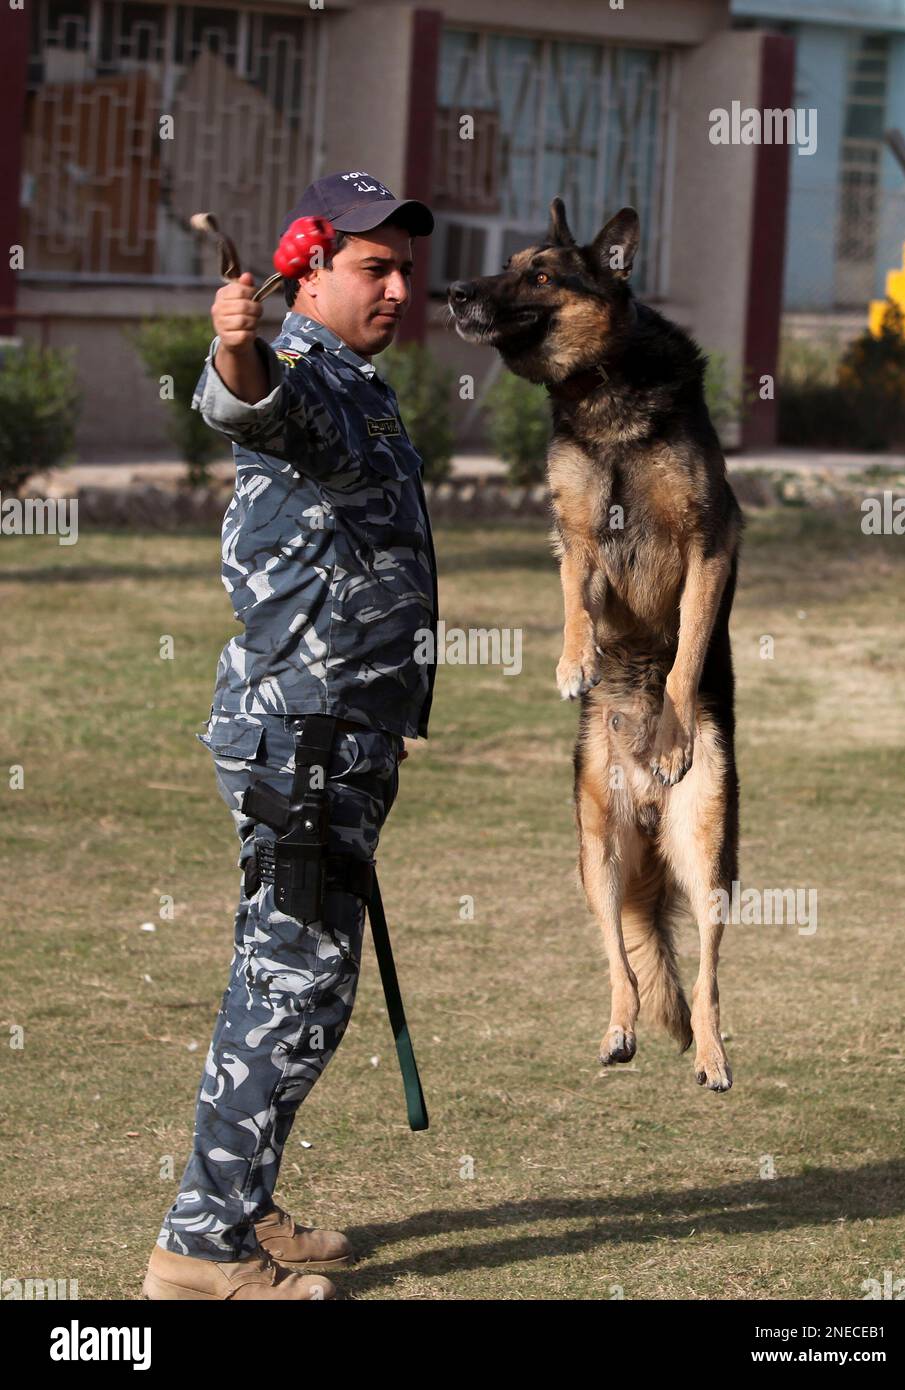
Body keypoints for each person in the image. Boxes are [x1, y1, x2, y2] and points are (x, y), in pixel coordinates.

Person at [142, 171, 438, 1301]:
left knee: (282, 968)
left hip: (334, 733)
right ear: (306, 265)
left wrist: (389, 709)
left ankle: (242, 1196)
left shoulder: (357, 383)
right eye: (374, 267)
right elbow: (245, 399)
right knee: (298, 980)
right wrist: (236, 343)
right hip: (303, 739)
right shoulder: (304, 372)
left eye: (407, 268)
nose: (400, 288)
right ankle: (201, 1246)